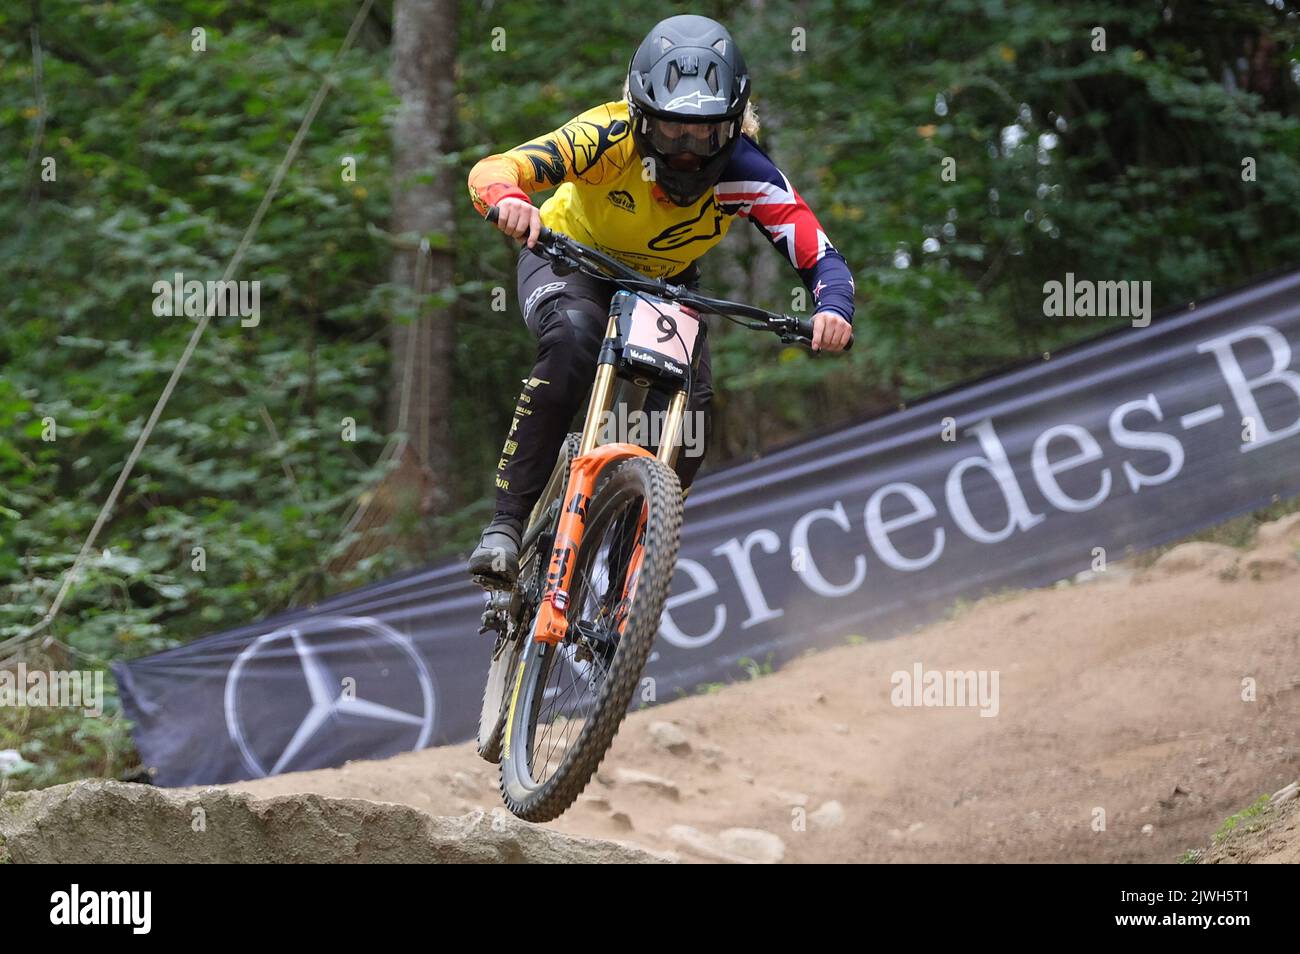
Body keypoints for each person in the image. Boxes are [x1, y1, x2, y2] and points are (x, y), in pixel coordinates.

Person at [466, 14, 856, 586]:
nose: (688, 153)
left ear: (734, 126)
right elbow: (496, 167)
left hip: (663, 285)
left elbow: (821, 256)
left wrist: (833, 309)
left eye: (706, 134)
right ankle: (505, 525)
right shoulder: (607, 135)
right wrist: (509, 198)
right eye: (672, 131)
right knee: (573, 339)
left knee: (691, 413)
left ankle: (626, 583)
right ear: (641, 117)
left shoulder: (748, 171)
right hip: (568, 256)